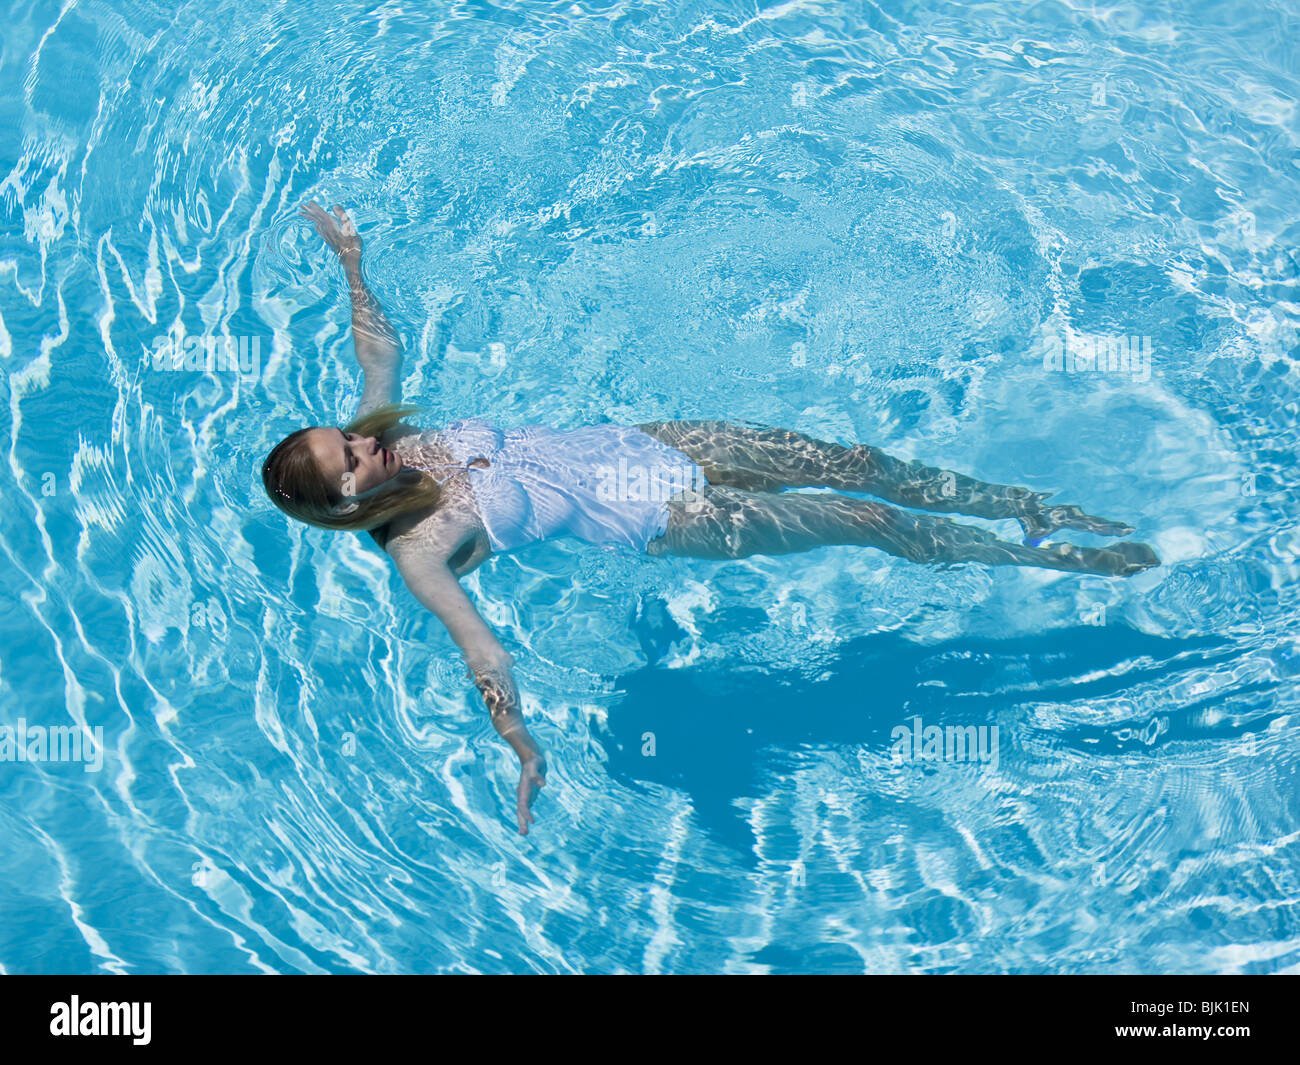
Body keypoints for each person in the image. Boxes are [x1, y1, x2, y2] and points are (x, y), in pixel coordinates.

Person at [262, 202, 1159, 835]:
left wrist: (351, 261)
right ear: (344, 500)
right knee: (857, 515)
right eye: (349, 457)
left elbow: (376, 351)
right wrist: (519, 741)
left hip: (651, 441)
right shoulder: (418, 547)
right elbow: (481, 649)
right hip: (664, 514)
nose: (361, 442)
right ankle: (1048, 561)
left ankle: (1029, 508)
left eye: (348, 436)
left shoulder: (392, 436)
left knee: (855, 463)